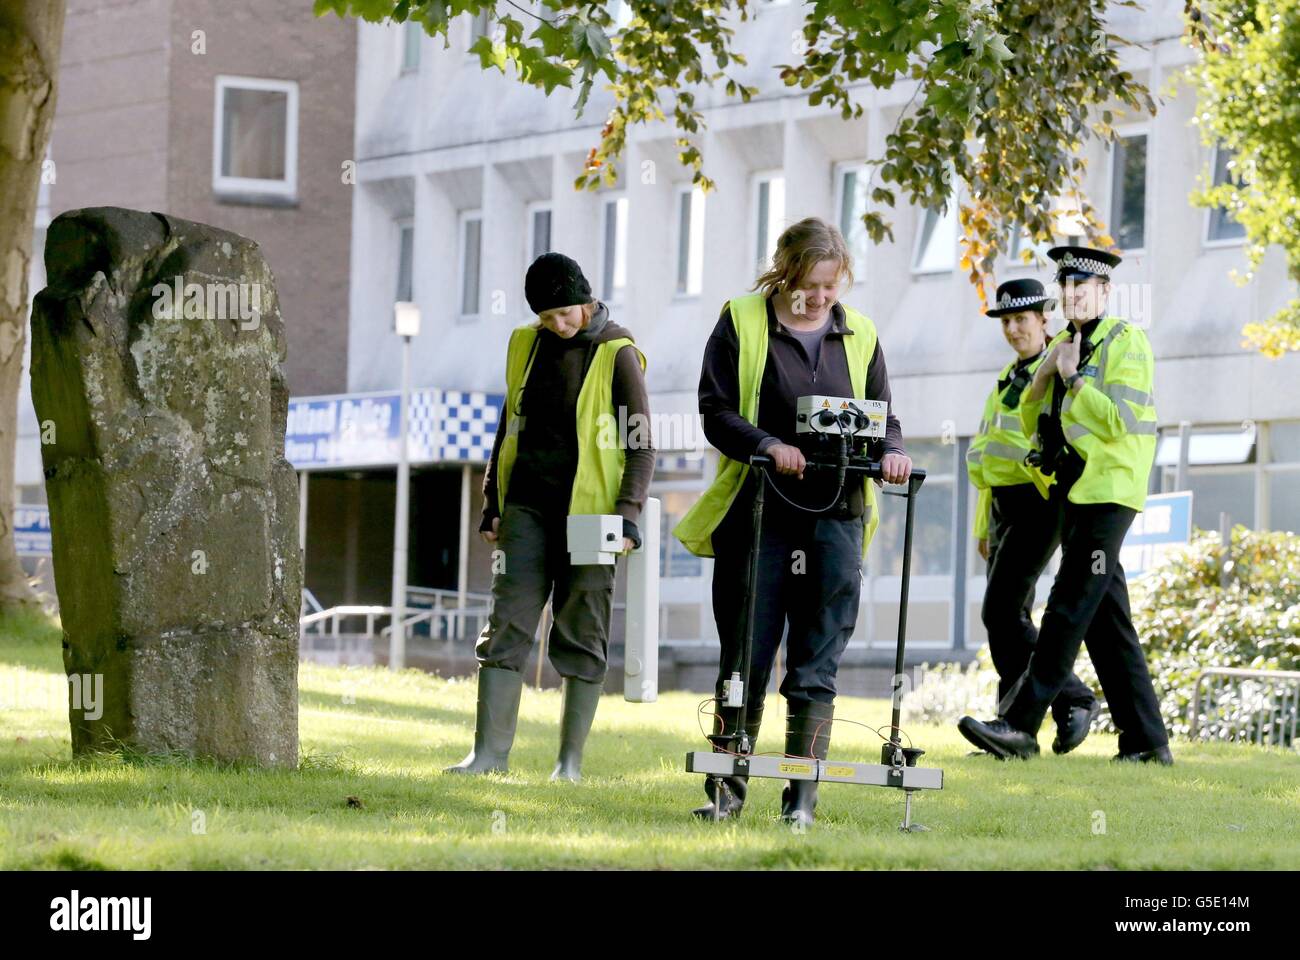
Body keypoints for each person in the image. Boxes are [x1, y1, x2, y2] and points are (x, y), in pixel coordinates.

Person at [676, 217, 912, 826]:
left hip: (838, 515)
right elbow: (714, 410)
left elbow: (884, 416)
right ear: (783, 272)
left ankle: (801, 801)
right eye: (809, 284)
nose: (820, 297)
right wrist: (767, 444)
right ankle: (726, 793)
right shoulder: (742, 319)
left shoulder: (859, 333)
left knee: (816, 661)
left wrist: (892, 451)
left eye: (831, 287)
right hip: (760, 514)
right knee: (746, 654)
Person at [445, 252, 654, 781]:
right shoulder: (526, 344)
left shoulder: (618, 352)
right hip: (528, 510)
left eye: (565, 313)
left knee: (582, 630)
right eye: (547, 317)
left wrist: (628, 514)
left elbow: (641, 445)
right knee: (506, 623)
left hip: (592, 517)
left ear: (586, 300)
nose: (558, 325)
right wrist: (492, 503)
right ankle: (489, 756)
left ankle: (569, 764)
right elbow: (506, 427)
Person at [959, 245, 1171, 764]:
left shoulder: (1127, 341)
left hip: (1111, 490)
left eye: (1083, 288)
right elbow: (1032, 413)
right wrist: (1049, 368)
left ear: (1104, 291)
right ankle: (1147, 744)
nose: (1074, 296)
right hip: (1076, 492)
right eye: (1067, 288)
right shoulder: (1068, 344)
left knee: (1066, 607)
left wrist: (1073, 377)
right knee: (1105, 621)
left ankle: (1020, 725)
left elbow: (1117, 420)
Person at [968, 278, 1098, 756]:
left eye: (1021, 319)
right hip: (1003, 508)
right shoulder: (1007, 376)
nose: (1013, 329)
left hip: (1038, 502)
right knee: (1006, 621)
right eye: (1006, 321)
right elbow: (988, 458)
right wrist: (984, 526)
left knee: (999, 612)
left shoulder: (1053, 369)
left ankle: (1074, 697)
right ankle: (1011, 730)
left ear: (1045, 318)